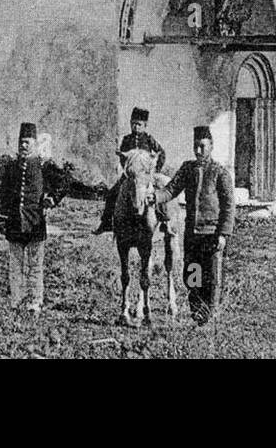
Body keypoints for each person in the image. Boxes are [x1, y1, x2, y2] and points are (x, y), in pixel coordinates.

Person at [152, 126, 236, 325]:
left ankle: (209, 318)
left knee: (211, 278)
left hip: (212, 235)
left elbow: (228, 206)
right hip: (192, 234)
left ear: (211, 146)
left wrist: (223, 234)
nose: (198, 151)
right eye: (195, 146)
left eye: (202, 146)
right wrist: (154, 196)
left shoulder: (220, 173)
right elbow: (171, 190)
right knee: (192, 273)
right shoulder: (187, 169)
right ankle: (197, 314)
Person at [0, 122, 64, 312]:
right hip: (15, 223)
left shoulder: (44, 166)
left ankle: (35, 301)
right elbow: (3, 194)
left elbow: (63, 182)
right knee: (15, 266)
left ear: (35, 144)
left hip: (35, 223)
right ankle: (16, 300)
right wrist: (2, 219)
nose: (24, 146)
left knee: (35, 266)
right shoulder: (12, 167)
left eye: (27, 143)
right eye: (21, 143)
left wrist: (52, 198)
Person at [95, 107, 166, 234]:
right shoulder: (127, 139)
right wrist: (127, 168)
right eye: (133, 124)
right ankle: (106, 222)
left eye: (139, 124)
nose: (135, 127)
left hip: (146, 176)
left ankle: (164, 219)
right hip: (130, 175)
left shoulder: (149, 139)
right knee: (112, 193)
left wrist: (156, 170)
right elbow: (123, 157)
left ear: (145, 125)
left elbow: (162, 153)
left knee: (161, 190)